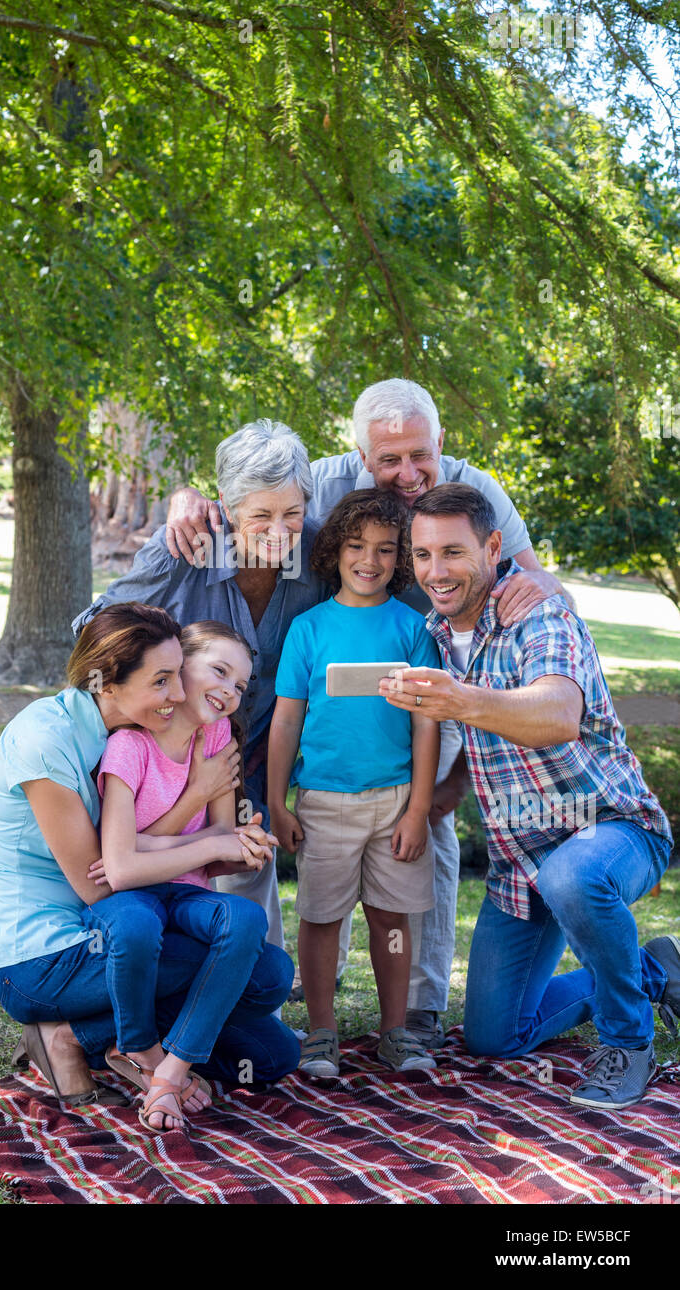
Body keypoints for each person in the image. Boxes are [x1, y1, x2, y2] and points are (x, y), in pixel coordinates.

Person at [163, 379, 571, 1048]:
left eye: (420, 455)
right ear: (359, 455)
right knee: (302, 865)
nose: (407, 474)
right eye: (389, 461)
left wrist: (534, 582)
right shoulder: (319, 484)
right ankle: (279, 997)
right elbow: (247, 499)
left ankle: (416, 1010)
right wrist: (186, 498)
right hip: (330, 703)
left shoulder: (480, 493)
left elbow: (541, 583)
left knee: (423, 834)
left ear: (442, 443)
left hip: (434, 690)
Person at [380, 482, 679, 1109]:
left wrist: (458, 699)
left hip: (614, 828)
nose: (436, 571)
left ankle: (628, 1039)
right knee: (495, 1036)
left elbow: (557, 714)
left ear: (493, 547)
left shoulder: (541, 614)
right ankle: (653, 970)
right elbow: (487, 745)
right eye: (424, 555)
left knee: (572, 877)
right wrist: (445, 787)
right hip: (521, 861)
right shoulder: (431, 633)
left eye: (454, 552)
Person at [0, 602, 299, 1110]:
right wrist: (209, 830)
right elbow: (107, 879)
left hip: (120, 929)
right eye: (162, 680)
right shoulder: (47, 741)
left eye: (178, 676)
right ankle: (92, 1041)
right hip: (46, 960)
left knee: (269, 1045)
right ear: (106, 682)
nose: (177, 693)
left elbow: (147, 848)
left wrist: (236, 848)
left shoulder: (125, 730)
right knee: (252, 965)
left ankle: (111, 1041)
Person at [72, 420, 331, 951]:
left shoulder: (321, 555)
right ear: (227, 507)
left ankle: (259, 1000)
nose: (280, 532)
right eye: (260, 516)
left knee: (248, 867)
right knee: (172, 881)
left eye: (293, 514)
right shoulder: (184, 547)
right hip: (174, 754)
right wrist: (155, 697)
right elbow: (93, 629)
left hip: (261, 752)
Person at [269, 489, 441, 1076]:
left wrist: (418, 809)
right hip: (322, 801)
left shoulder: (413, 628)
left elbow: (425, 726)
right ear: (334, 550)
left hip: (394, 802)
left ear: (401, 559)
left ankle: (394, 1030)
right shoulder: (308, 629)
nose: (370, 559)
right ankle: (321, 1031)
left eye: (387, 550)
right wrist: (276, 801)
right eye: (356, 545)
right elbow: (286, 719)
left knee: (391, 920)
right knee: (321, 918)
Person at [82, 620, 272, 1132]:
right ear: (178, 666)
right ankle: (146, 1056)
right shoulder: (131, 744)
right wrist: (210, 842)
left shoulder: (217, 739)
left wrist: (244, 847)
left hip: (187, 890)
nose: (230, 691)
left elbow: (215, 850)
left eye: (240, 685)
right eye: (219, 671)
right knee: (135, 929)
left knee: (248, 925)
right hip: (132, 894)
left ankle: (170, 1063)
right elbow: (120, 861)